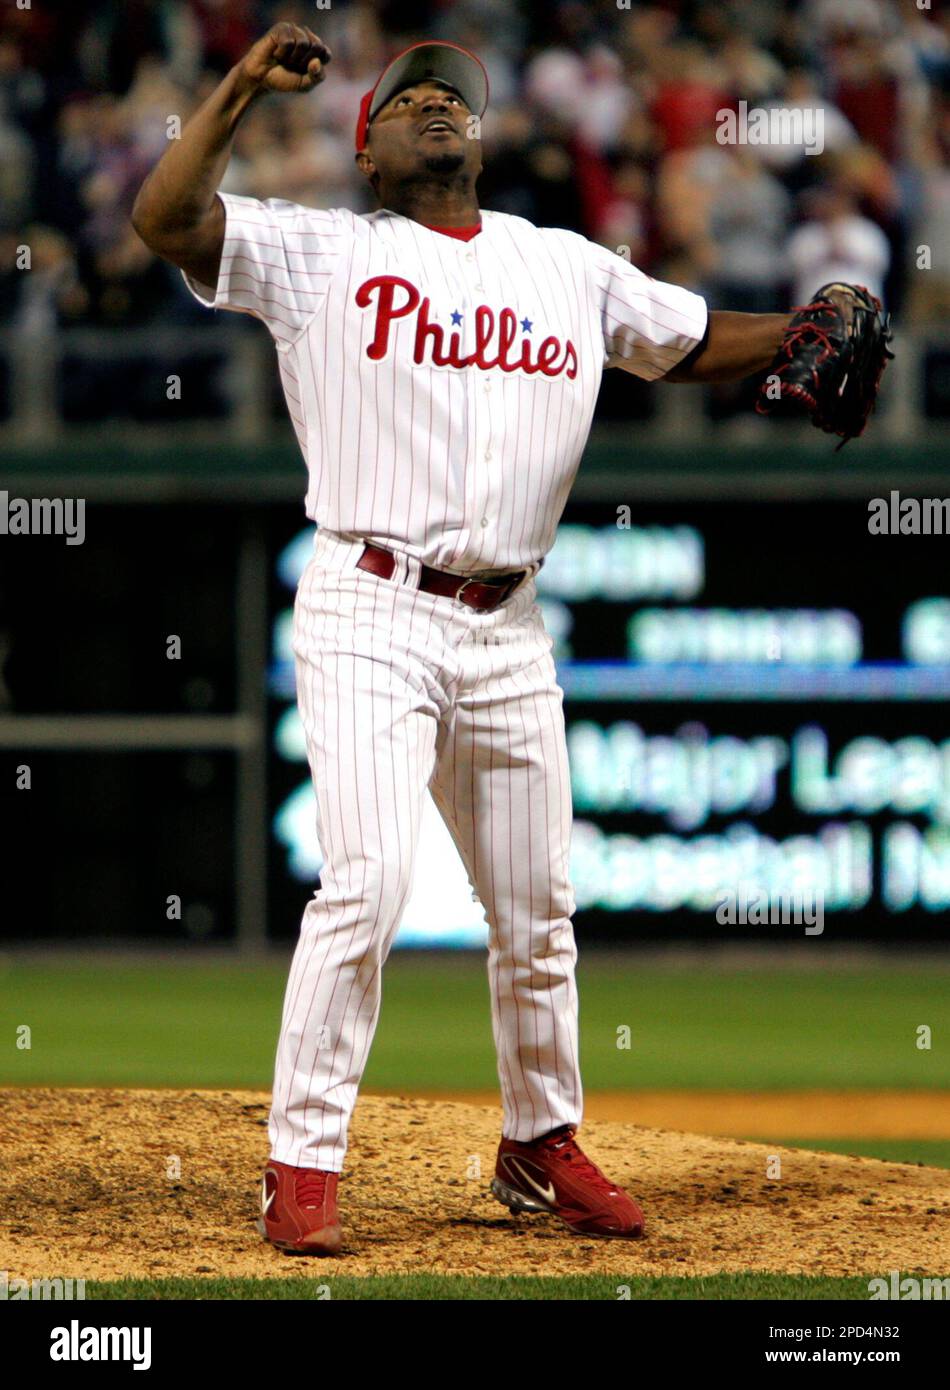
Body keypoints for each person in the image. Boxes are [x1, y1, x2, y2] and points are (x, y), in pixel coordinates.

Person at [132, 24, 796, 1255]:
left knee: (538, 907)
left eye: (458, 97)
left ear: (483, 140)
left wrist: (804, 331)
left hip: (508, 622)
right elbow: (167, 223)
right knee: (368, 882)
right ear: (366, 151)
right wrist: (231, 90)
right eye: (409, 97)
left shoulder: (565, 266)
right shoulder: (320, 250)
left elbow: (693, 339)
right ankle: (301, 1160)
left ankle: (539, 1145)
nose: (439, 103)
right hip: (369, 601)